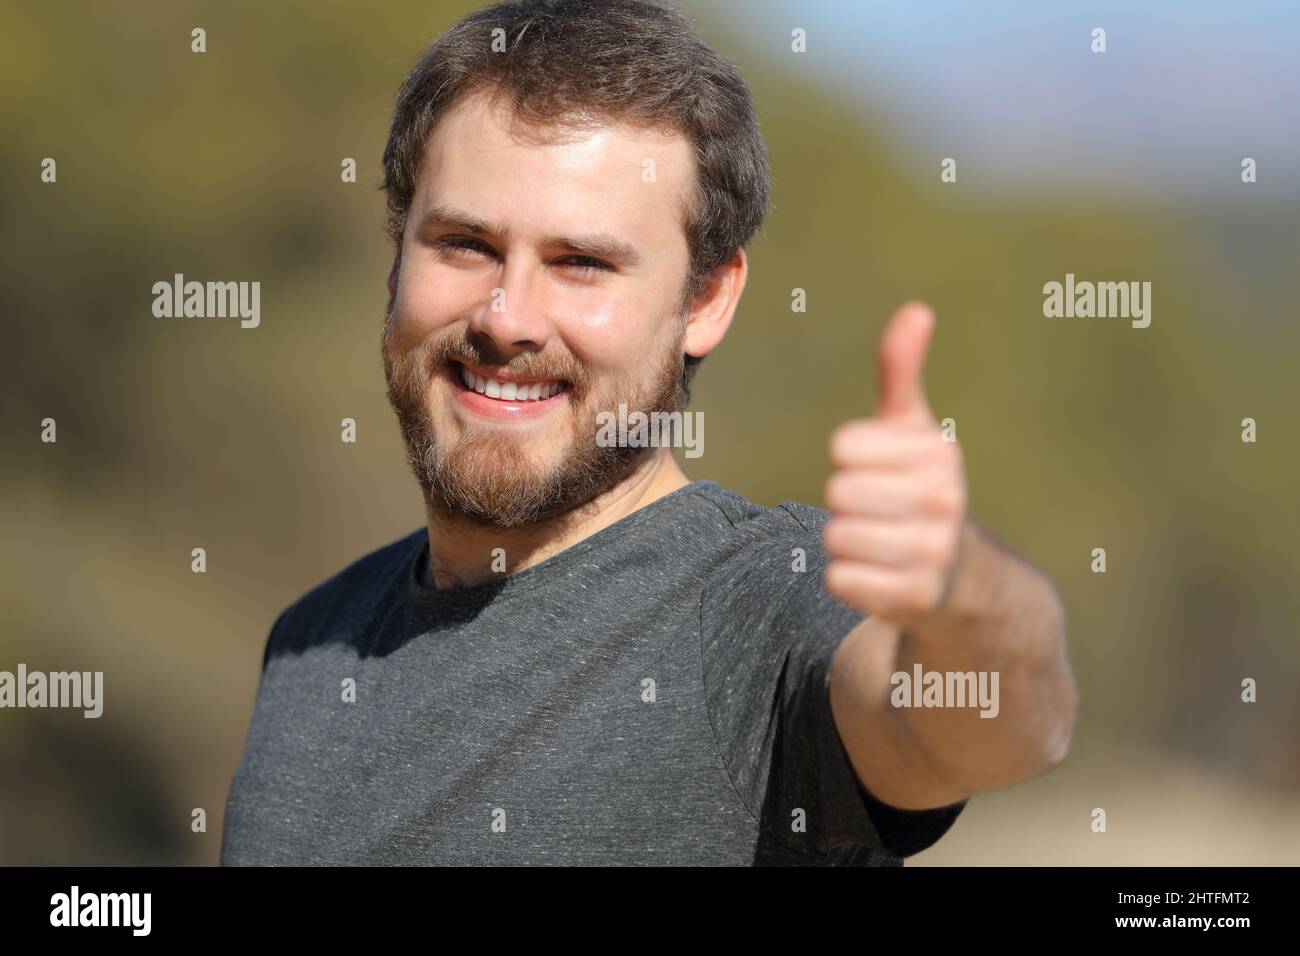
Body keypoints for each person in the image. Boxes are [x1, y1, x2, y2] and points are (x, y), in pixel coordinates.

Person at [220, 0, 1077, 866]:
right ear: (398, 254)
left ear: (706, 300)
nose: (507, 318)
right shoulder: (308, 642)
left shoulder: (760, 610)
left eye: (581, 263)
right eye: (464, 243)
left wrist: (963, 592)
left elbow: (1000, 730)